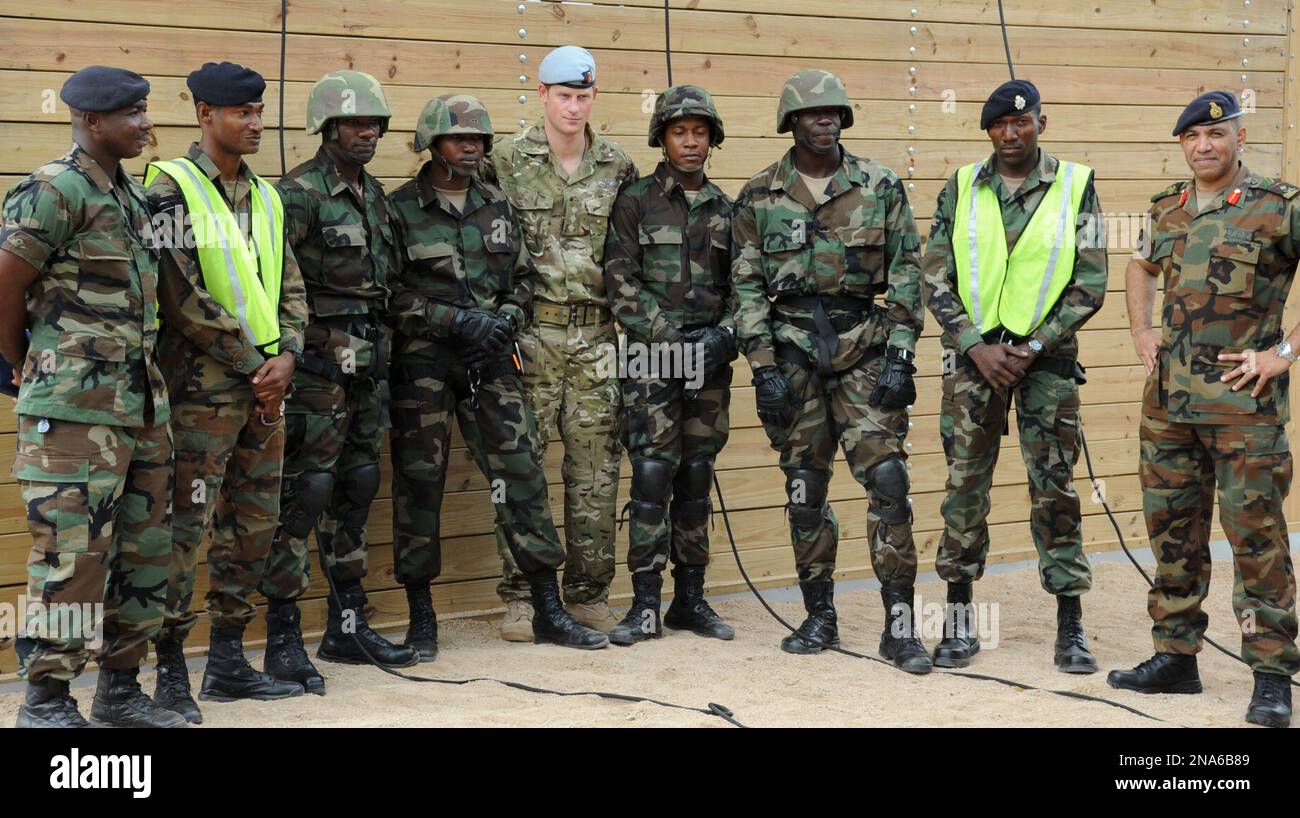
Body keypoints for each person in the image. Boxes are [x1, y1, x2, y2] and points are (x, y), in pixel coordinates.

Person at [388, 94, 608, 651]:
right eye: (460, 138)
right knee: (421, 489)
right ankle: (421, 616)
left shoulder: (496, 205)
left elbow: (525, 279)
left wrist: (505, 316)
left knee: (523, 479)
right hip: (425, 368)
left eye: (480, 139)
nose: (472, 147)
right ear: (432, 144)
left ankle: (548, 608)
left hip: (491, 364)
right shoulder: (399, 209)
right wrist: (455, 320)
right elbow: (387, 295)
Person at [1, 65, 186, 728]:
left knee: (144, 553)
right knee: (70, 559)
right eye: (133, 114)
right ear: (92, 121)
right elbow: (6, 283)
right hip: (73, 413)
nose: (146, 124)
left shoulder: (130, 198)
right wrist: (23, 362)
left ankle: (120, 689)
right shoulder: (55, 190)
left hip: (139, 410)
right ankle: (46, 701)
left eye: (146, 110)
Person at [1109, 91, 1299, 728]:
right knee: (1172, 534)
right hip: (1168, 407)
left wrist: (1285, 351)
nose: (1204, 146)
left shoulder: (1279, 206)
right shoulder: (1169, 207)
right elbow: (1139, 268)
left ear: (1239, 138)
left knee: (1257, 541)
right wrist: (1141, 331)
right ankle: (1176, 657)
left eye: (1216, 135)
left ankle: (1271, 675)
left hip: (1244, 409)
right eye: (1192, 138)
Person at [731, 69, 930, 671]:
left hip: (865, 350)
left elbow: (907, 270)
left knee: (889, 483)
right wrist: (763, 366)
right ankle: (819, 616)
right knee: (804, 491)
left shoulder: (879, 184)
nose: (826, 122)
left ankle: (900, 629)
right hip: (791, 356)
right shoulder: (759, 195)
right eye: (814, 114)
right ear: (791, 122)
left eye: (835, 113)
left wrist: (900, 353)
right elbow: (743, 287)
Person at [922, 79, 1106, 673]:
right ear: (988, 131)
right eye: (1000, 125)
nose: (1010, 133)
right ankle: (957, 622)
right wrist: (974, 345)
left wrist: (1032, 345)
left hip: (1045, 365)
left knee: (1054, 491)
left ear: (1041, 125)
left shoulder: (1077, 185)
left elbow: (1091, 280)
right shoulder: (960, 186)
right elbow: (934, 275)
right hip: (974, 365)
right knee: (963, 488)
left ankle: (1070, 628)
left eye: (1021, 123)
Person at [146, 61, 308, 722]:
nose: (255, 123)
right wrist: (254, 364)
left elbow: (290, 284)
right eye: (241, 112)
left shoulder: (268, 196)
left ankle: (229, 663)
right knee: (185, 529)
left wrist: (290, 355)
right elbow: (177, 291)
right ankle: (170, 672)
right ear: (204, 113)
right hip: (200, 393)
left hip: (267, 391)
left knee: (253, 526)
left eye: (259, 112)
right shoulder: (168, 188)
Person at [262, 70, 418, 692]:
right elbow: (274, 286)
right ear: (326, 128)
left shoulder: (376, 196)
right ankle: (280, 641)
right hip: (317, 378)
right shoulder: (296, 194)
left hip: (366, 376)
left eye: (374, 123)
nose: (367, 133)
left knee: (356, 490)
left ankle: (346, 628)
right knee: (304, 499)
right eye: (354, 123)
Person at [486, 45, 638, 639]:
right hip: (532, 334)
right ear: (542, 95)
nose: (574, 107)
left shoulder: (617, 164)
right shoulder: (505, 160)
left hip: (598, 335)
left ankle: (588, 593)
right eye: (564, 96)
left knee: (596, 469)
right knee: (521, 469)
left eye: (584, 96)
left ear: (595, 97)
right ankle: (521, 596)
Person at [602, 85, 737, 645]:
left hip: (707, 364)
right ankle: (642, 605)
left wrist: (723, 338)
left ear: (712, 140)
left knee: (696, 479)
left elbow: (745, 286)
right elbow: (619, 278)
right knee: (652, 476)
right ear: (662, 138)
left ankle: (690, 600)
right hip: (653, 360)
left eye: (699, 132)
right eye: (679, 131)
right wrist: (668, 335)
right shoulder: (636, 200)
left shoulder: (728, 210)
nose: (690, 142)